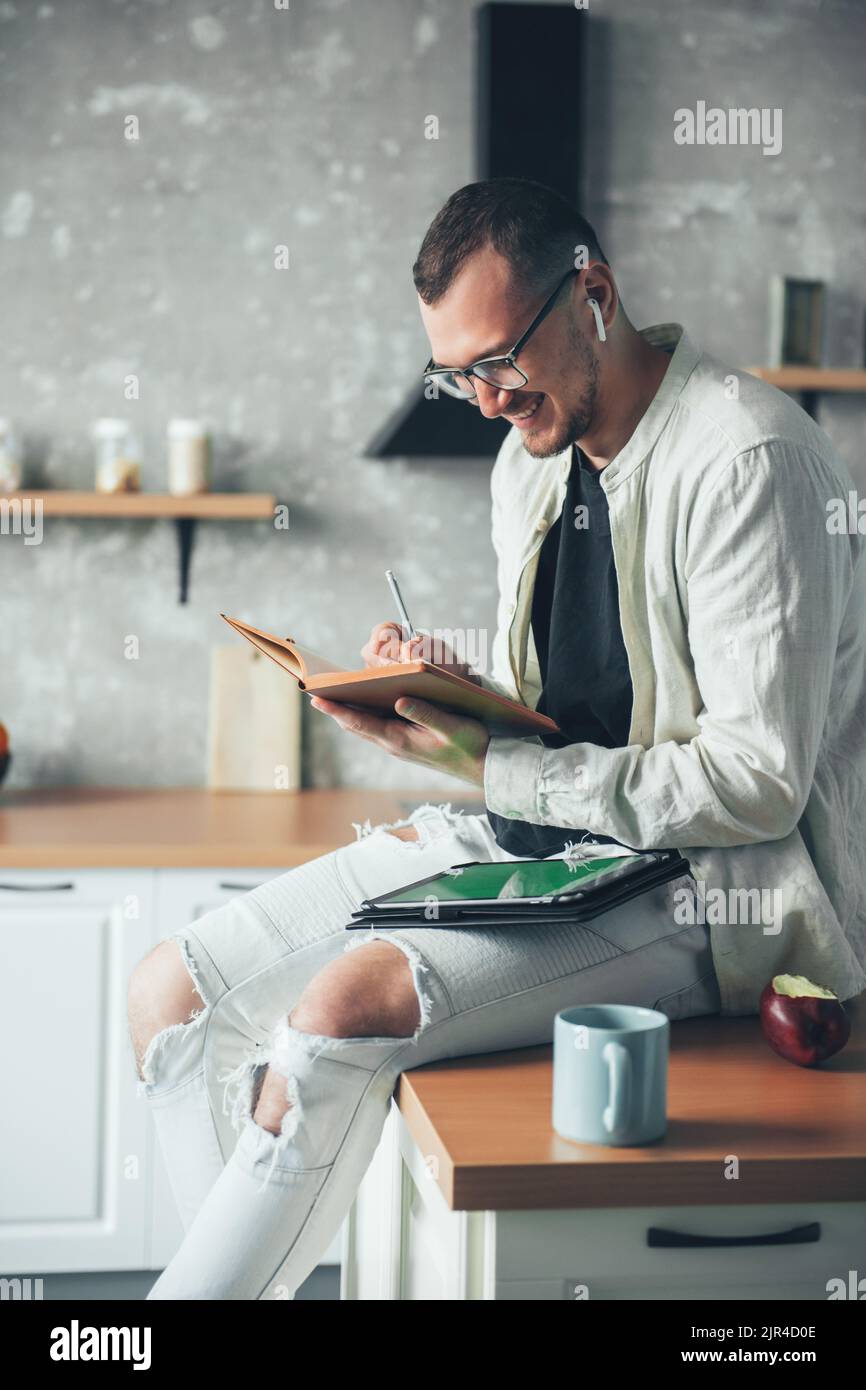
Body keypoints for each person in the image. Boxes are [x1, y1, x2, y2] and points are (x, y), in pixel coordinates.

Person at [128, 177, 866, 1300]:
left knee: (333, 1015)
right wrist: (438, 692)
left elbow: (757, 784)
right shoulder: (525, 464)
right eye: (454, 372)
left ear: (595, 297)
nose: (479, 401)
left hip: (714, 889)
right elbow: (559, 706)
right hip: (540, 838)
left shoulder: (746, 462)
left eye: (497, 362)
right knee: (167, 991)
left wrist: (495, 764)